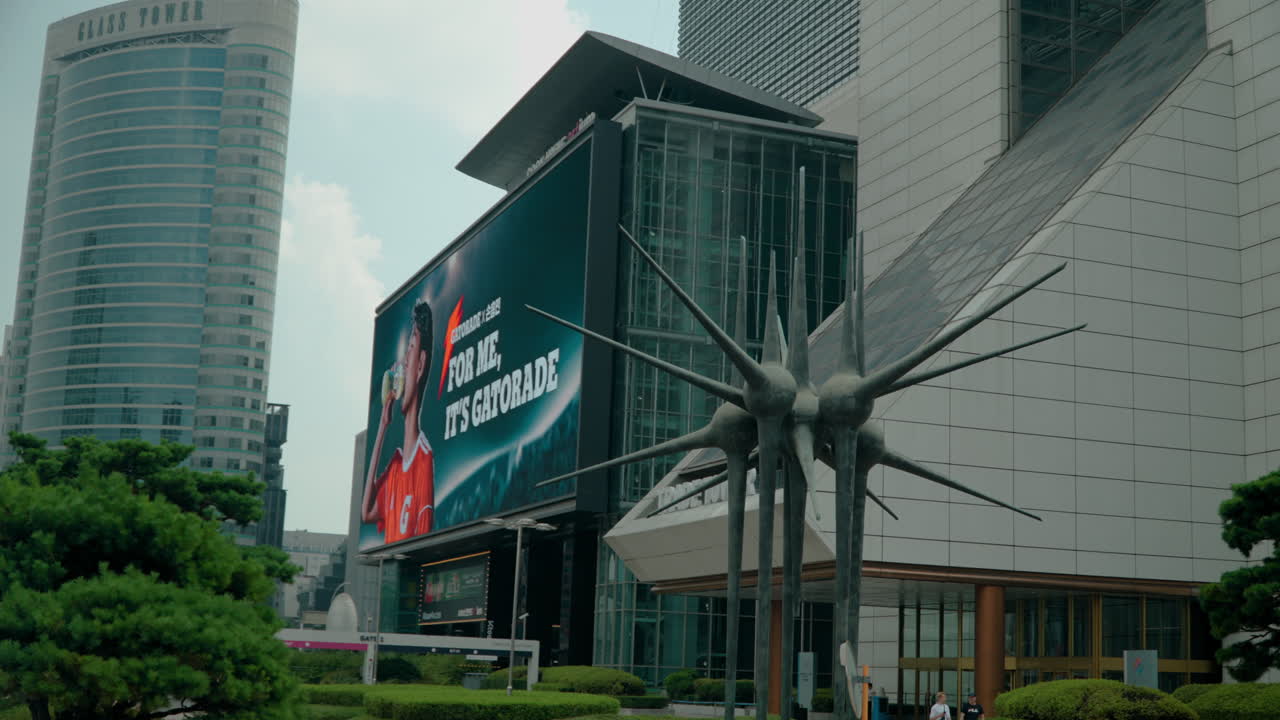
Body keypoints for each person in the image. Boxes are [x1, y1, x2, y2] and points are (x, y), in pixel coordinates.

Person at [362, 298, 436, 544]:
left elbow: (423, 544)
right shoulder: (395, 464)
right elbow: (367, 513)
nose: (403, 363)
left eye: (411, 348)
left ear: (421, 365)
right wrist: (382, 427)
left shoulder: (424, 462)